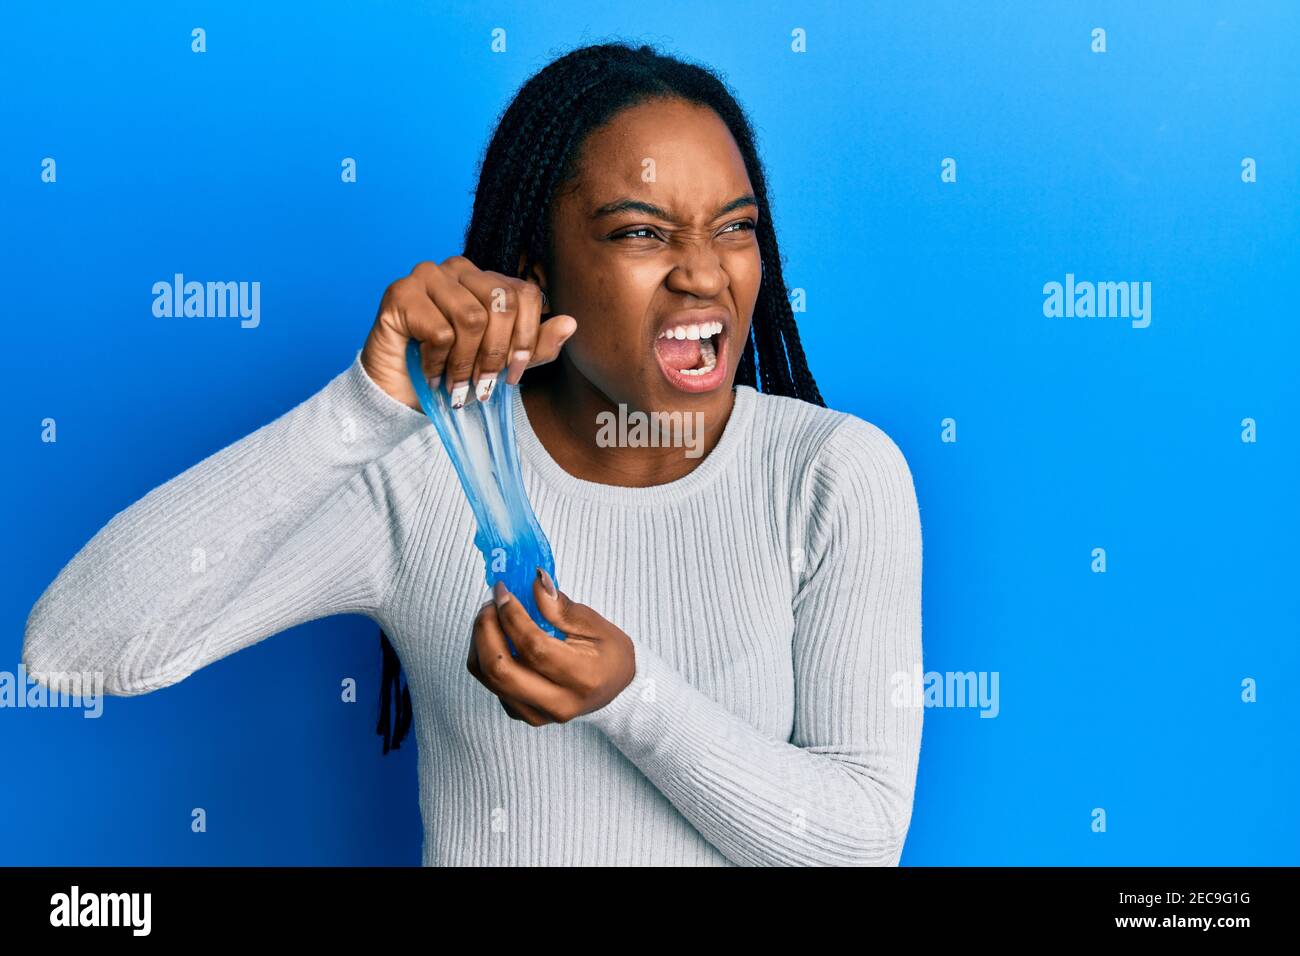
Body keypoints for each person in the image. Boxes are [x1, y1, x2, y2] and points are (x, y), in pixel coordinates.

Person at [23, 41, 924, 866]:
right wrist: (364, 406)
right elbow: (74, 648)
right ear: (536, 267)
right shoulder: (424, 470)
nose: (704, 271)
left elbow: (861, 843)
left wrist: (632, 697)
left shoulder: (834, 474)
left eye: (735, 227)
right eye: (641, 233)